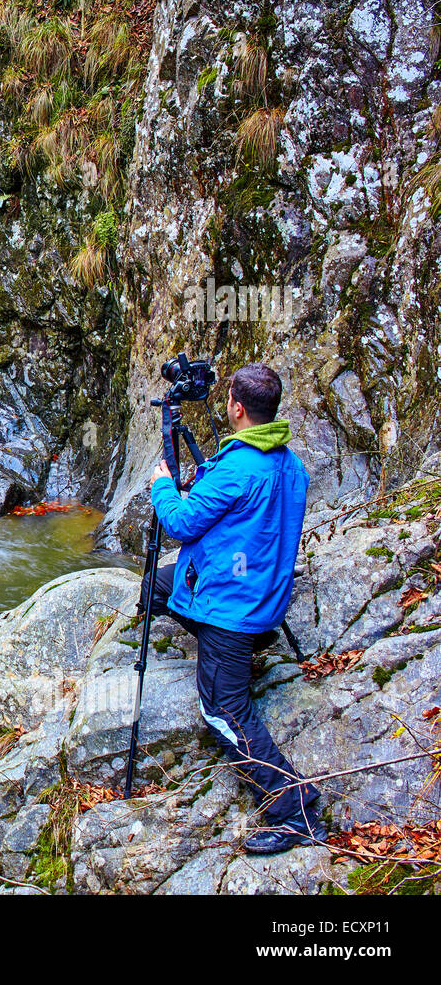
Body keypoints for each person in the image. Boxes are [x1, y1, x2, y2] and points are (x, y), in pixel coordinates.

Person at [145, 362, 324, 854]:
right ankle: (223, 644)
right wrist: (210, 479)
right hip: (266, 599)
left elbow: (180, 524)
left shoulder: (240, 468)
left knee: (224, 710)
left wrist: (164, 484)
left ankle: (297, 809)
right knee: (154, 588)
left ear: (237, 408)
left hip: (234, 611)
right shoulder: (289, 462)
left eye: (227, 401)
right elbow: (251, 518)